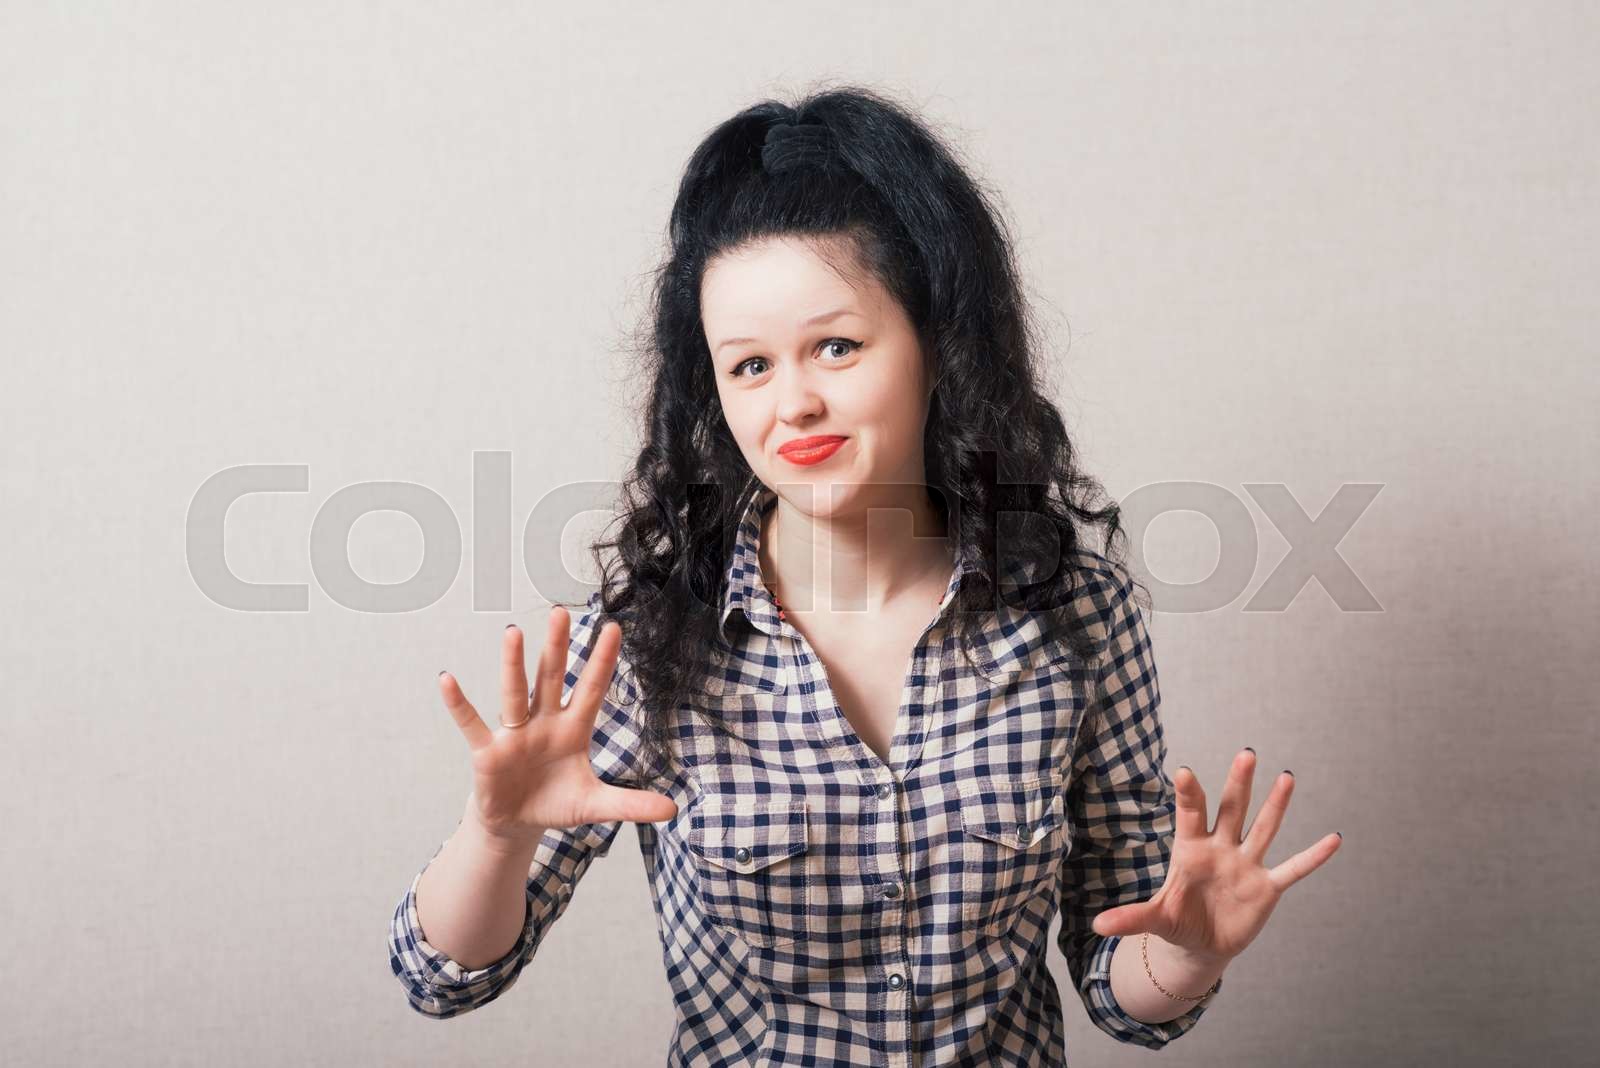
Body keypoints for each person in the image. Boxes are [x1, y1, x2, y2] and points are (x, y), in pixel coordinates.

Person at [388, 84, 1341, 1065]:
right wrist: (497, 839)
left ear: (936, 350)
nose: (794, 401)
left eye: (834, 347)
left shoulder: (1077, 615)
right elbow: (443, 977)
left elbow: (1122, 985)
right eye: (749, 366)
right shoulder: (642, 639)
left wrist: (1184, 954)